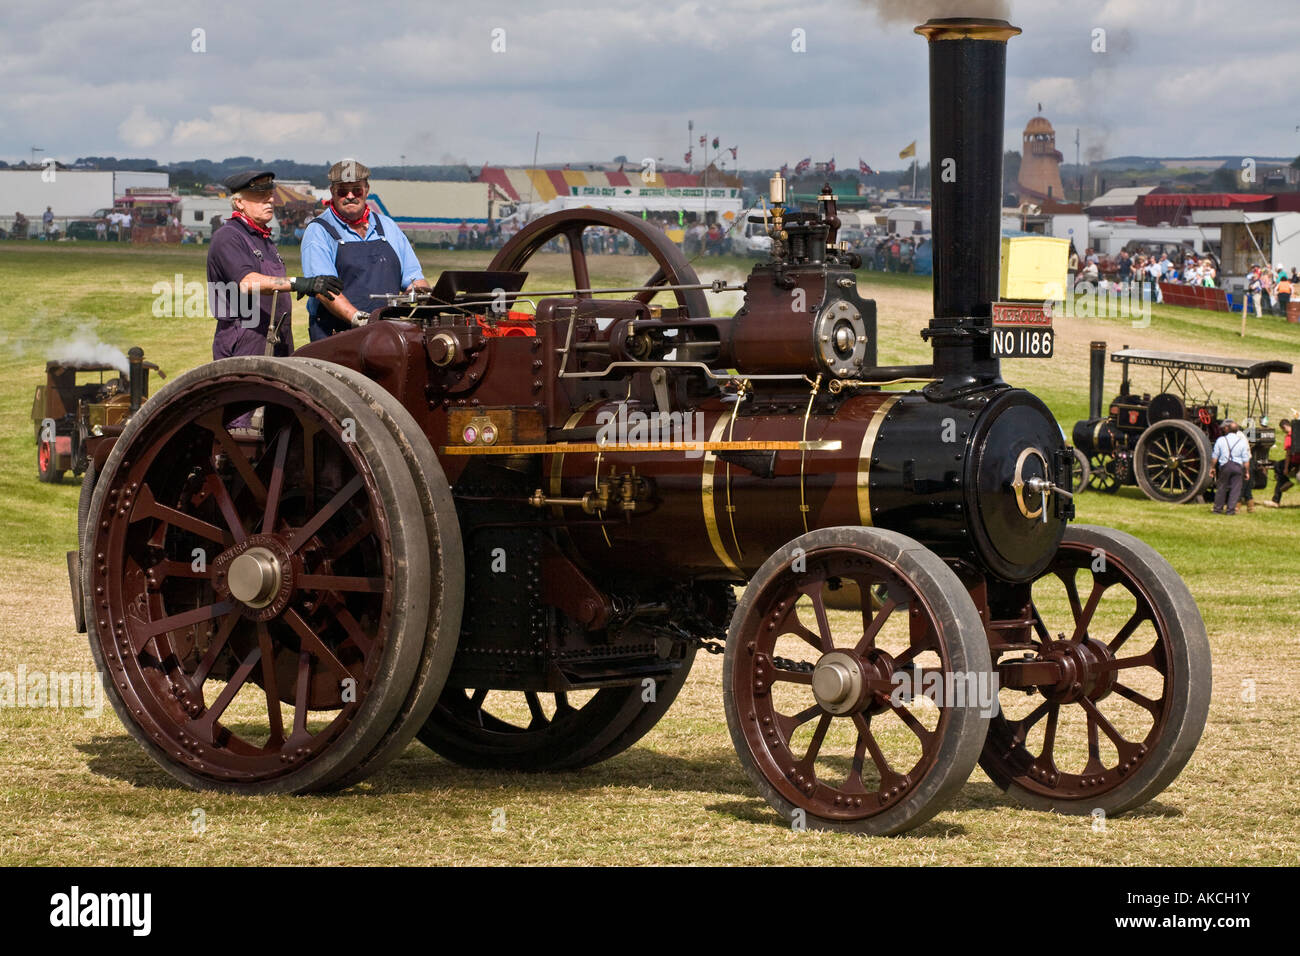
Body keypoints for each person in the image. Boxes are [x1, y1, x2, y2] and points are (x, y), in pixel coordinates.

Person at [207, 169, 341, 361]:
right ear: (239, 203)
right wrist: (298, 283)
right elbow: (248, 282)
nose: (269, 201)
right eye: (260, 197)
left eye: (270, 196)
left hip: (276, 336)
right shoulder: (229, 236)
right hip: (245, 338)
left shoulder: (263, 237)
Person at [300, 159, 430, 341]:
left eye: (357, 190)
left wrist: (423, 297)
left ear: (367, 190)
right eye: (343, 191)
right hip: (337, 335)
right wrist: (359, 319)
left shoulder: (388, 226)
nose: (350, 196)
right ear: (332, 192)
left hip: (386, 333)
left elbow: (414, 279)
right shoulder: (319, 231)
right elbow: (324, 290)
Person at [1210, 420, 1251, 515]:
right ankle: (1230, 510)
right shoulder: (1242, 442)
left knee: (1221, 488)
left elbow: (1215, 456)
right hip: (1237, 466)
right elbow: (1246, 459)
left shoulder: (1221, 440)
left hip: (1225, 466)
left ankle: (1217, 509)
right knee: (1235, 489)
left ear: (1227, 429)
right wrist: (1247, 472)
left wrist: (1212, 468)